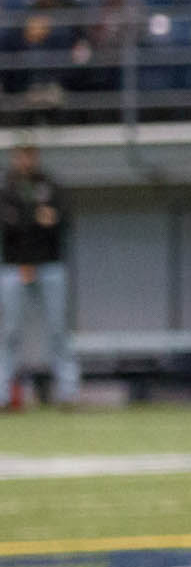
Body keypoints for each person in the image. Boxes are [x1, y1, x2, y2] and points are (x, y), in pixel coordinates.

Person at [0, 146, 77, 411]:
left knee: (58, 329)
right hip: (14, 267)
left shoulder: (50, 185)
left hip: (50, 265)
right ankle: (4, 395)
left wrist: (40, 220)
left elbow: (63, 218)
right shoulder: (7, 189)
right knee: (10, 331)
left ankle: (68, 393)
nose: (25, 161)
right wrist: (36, 220)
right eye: (21, 155)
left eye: (30, 155)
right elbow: (12, 226)